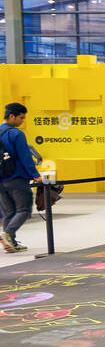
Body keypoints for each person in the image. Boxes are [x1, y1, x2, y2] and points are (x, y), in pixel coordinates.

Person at [0, 102, 40, 253]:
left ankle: (10, 244)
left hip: (0, 180)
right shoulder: (16, 134)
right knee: (24, 209)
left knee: (8, 212)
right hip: (16, 178)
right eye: (21, 118)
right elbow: (25, 157)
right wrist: (36, 175)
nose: (22, 121)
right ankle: (8, 234)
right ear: (12, 116)